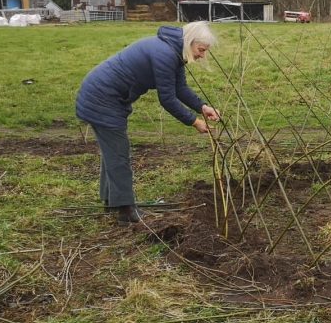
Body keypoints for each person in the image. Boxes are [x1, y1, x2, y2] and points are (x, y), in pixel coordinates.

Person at [76, 21, 222, 225]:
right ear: (190, 42)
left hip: (106, 97)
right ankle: (126, 211)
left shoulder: (173, 52)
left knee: (113, 151)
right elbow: (167, 99)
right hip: (101, 98)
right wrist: (194, 122)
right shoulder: (165, 54)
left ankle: (113, 201)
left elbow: (179, 88)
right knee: (118, 153)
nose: (202, 55)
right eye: (201, 50)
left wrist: (202, 107)